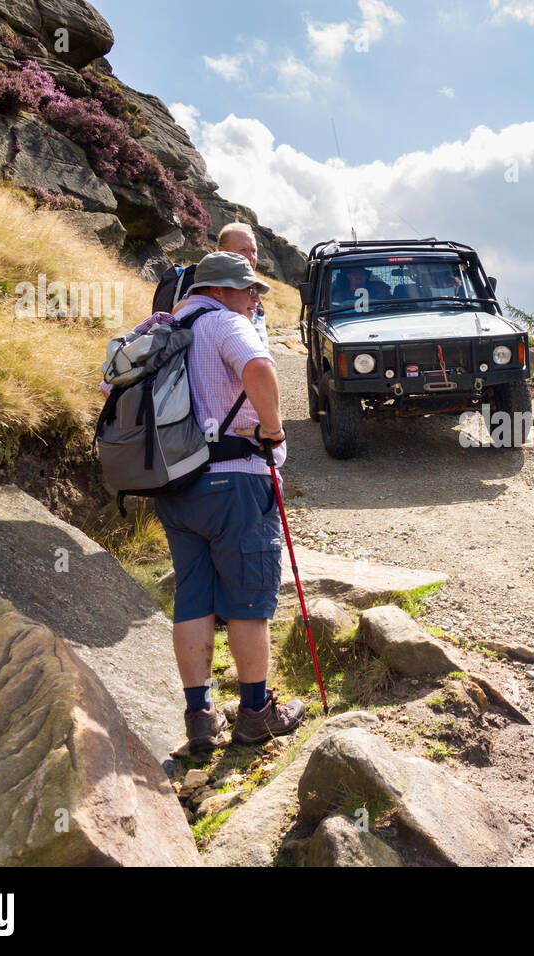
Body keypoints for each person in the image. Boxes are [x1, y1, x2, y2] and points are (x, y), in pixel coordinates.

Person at [154, 251, 302, 751]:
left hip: (174, 486)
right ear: (219, 290)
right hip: (235, 478)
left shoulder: (157, 325)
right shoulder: (224, 323)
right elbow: (259, 367)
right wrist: (274, 430)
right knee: (248, 600)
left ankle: (200, 718)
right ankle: (256, 713)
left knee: (192, 597)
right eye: (248, 290)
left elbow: (110, 383)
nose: (254, 299)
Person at [154, 222, 270, 347]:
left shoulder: (250, 287)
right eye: (243, 250)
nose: (251, 257)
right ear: (221, 252)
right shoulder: (207, 286)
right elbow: (180, 313)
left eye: (254, 251)